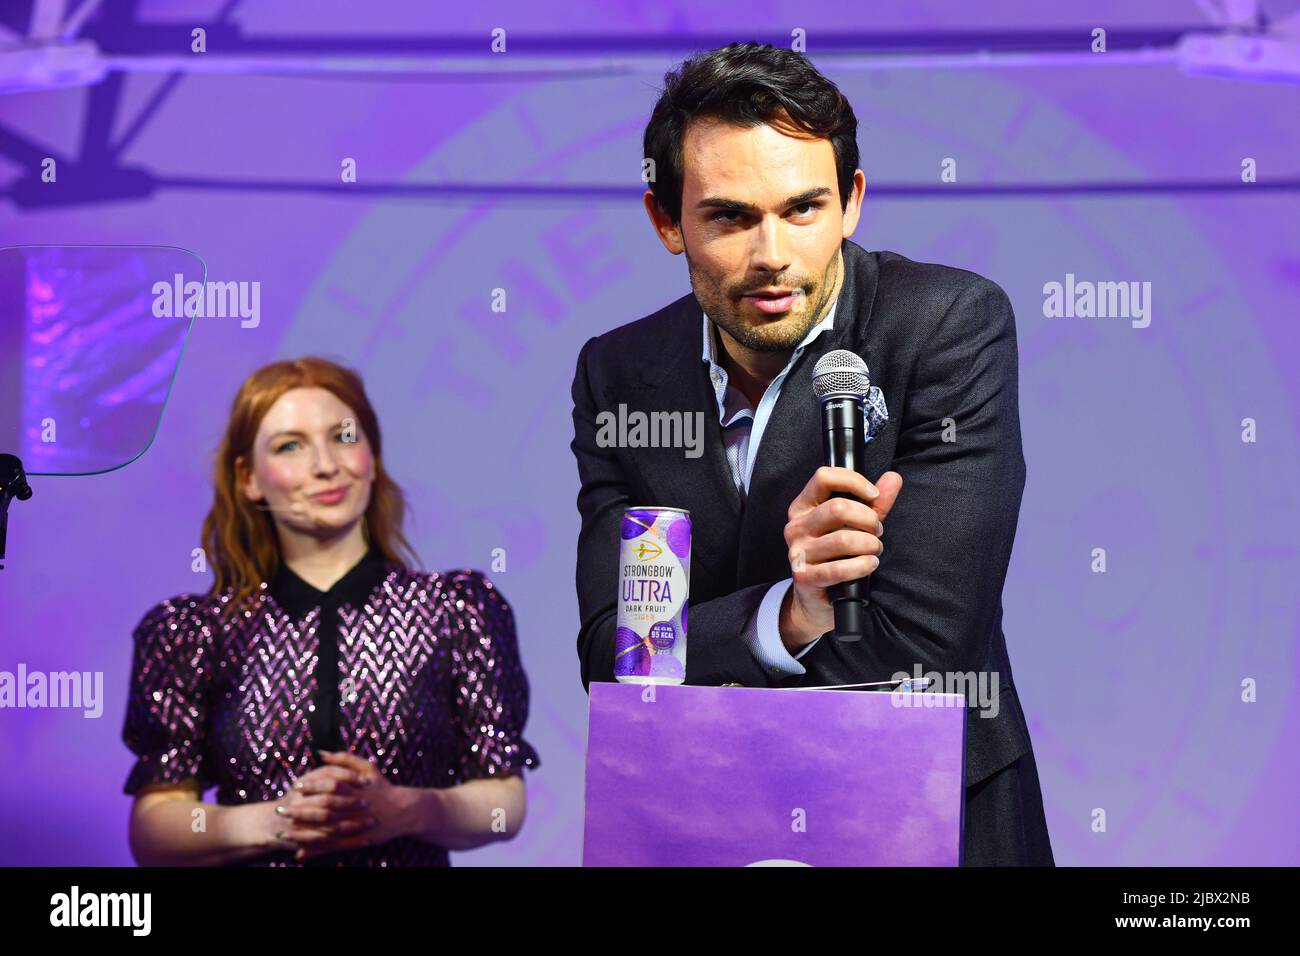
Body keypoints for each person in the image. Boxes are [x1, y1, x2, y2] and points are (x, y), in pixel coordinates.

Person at [570, 42, 1052, 865]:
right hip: (700, 818)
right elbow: (617, 657)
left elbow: (925, 650)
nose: (773, 255)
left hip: (925, 814)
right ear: (665, 220)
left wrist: (706, 641)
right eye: (729, 216)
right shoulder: (620, 372)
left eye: (803, 209)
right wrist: (791, 614)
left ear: (851, 203)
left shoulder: (946, 324)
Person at [123, 356, 539, 866]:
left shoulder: (457, 609)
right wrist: (277, 820)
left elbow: (504, 802)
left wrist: (409, 809)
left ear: (371, 453)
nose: (325, 464)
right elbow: (155, 829)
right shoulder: (193, 632)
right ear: (249, 477)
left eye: (343, 435)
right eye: (290, 446)